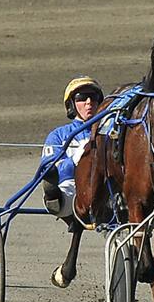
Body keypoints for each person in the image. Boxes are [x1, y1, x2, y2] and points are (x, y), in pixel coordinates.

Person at [40, 76, 105, 216]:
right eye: (82, 97)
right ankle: (54, 198)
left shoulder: (108, 131)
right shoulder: (59, 135)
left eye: (93, 97)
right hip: (71, 185)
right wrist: (78, 158)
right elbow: (50, 170)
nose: (89, 102)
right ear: (71, 104)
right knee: (63, 192)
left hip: (105, 186)